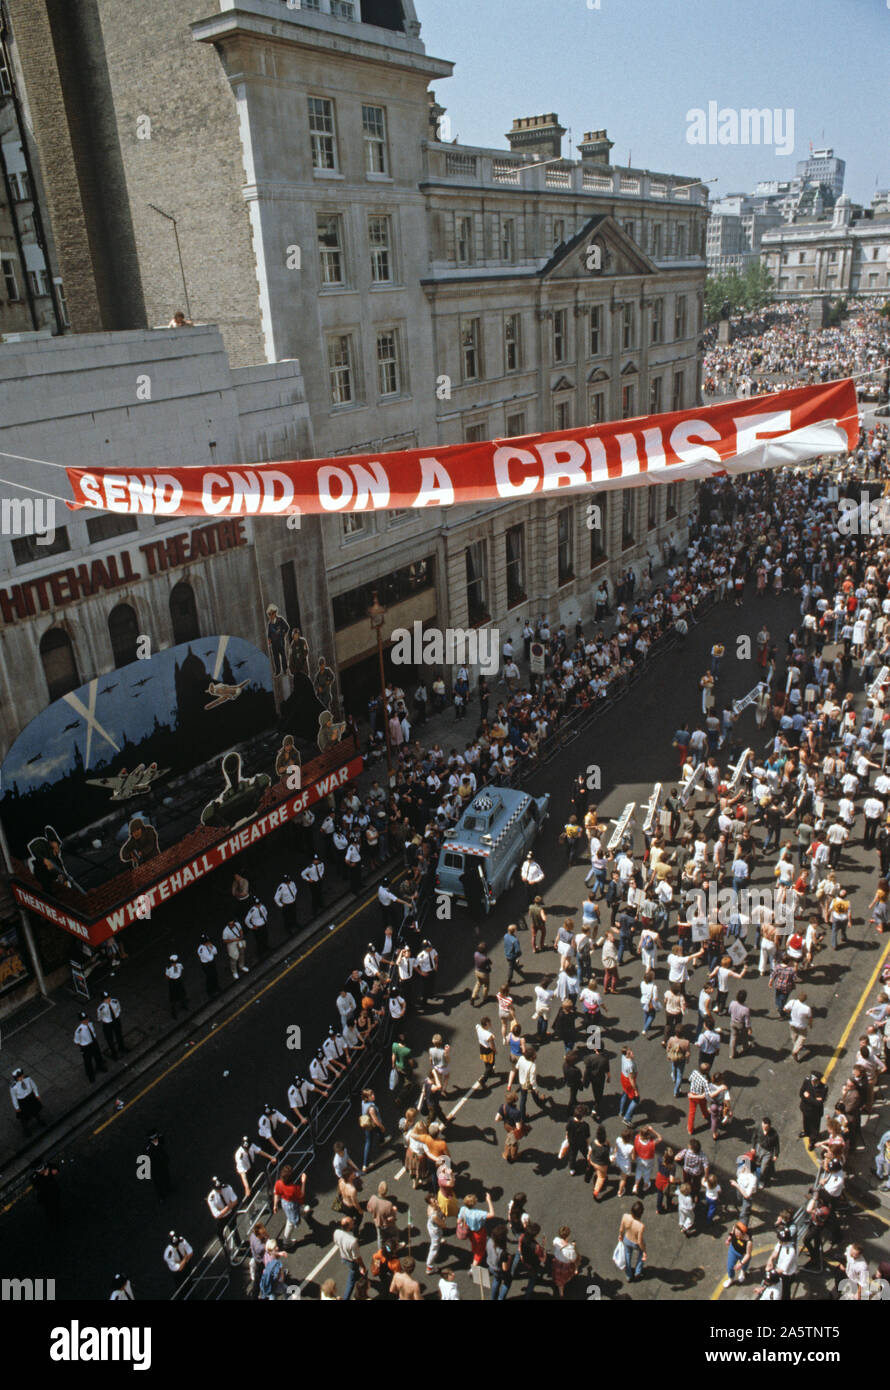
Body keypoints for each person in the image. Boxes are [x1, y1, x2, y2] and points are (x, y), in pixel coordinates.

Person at [273, 1165, 308, 1247]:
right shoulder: (294, 1188)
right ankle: (286, 1241)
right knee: (290, 1222)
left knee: (294, 1214)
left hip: (284, 1203)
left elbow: (276, 1194)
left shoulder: (278, 1183)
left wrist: (275, 1205)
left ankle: (302, 1213)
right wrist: (303, 1182)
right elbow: (301, 1194)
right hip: (292, 1205)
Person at [334, 1216, 366, 1301]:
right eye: (352, 1222)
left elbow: (336, 1243)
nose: (354, 1222)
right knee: (351, 1280)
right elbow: (357, 1257)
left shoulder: (337, 1232)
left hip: (343, 1257)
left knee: (355, 1273)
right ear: (349, 1226)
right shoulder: (352, 1241)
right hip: (351, 1261)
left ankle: (361, 1276)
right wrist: (363, 1266)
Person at [73, 1011, 106, 1083]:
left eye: (86, 1019)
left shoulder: (90, 1024)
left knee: (98, 1055)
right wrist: (83, 1047)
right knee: (88, 1061)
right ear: (81, 1021)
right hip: (86, 1046)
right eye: (84, 1020)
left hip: (93, 1042)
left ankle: (100, 1066)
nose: (86, 1021)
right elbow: (76, 1041)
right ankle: (90, 1075)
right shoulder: (79, 1031)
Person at [618, 1201, 647, 1283]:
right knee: (641, 1254)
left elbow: (621, 1229)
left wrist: (620, 1235)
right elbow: (639, 1241)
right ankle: (638, 1271)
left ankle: (628, 1275)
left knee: (627, 1255)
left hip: (626, 1239)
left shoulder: (625, 1216)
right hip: (635, 1243)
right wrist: (644, 1251)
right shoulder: (641, 1226)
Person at [9, 1068, 43, 1136]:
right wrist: (17, 1107)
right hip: (22, 1102)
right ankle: (26, 1130)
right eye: (19, 1077)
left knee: (36, 1110)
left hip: (31, 1097)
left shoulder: (27, 1078)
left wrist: (36, 1095)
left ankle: (39, 1121)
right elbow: (14, 1098)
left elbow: (34, 1086)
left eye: (21, 1076)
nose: (21, 1078)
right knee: (24, 1117)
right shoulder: (13, 1087)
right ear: (16, 1078)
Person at [486, 1221, 513, 1300]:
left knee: (496, 1281)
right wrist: (509, 1259)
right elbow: (505, 1268)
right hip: (499, 1270)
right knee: (507, 1282)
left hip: (491, 1266)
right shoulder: (502, 1253)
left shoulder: (489, 1241)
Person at [551, 1225, 578, 1297]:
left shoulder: (556, 1240)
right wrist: (572, 1245)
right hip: (565, 1266)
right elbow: (573, 1259)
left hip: (556, 1263)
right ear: (568, 1236)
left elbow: (554, 1244)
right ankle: (562, 1291)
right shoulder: (570, 1249)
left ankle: (561, 1293)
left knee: (558, 1279)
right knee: (564, 1277)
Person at [723, 1221, 753, 1287]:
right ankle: (731, 1279)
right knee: (730, 1266)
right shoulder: (735, 1228)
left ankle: (743, 1272)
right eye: (735, 1232)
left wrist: (741, 1263)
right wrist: (728, 1239)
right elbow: (731, 1233)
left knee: (745, 1265)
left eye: (738, 1234)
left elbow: (748, 1254)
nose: (736, 1235)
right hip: (733, 1250)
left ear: (743, 1234)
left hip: (743, 1254)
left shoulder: (748, 1242)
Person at [96, 992, 125, 1058]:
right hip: (107, 1024)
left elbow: (119, 1008)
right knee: (110, 1039)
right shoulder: (101, 1008)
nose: (108, 999)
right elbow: (99, 1017)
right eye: (106, 999)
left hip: (116, 1020)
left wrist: (117, 1015)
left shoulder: (115, 1001)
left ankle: (121, 1048)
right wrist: (105, 1019)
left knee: (119, 1035)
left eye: (109, 997)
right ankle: (114, 1053)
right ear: (103, 1000)